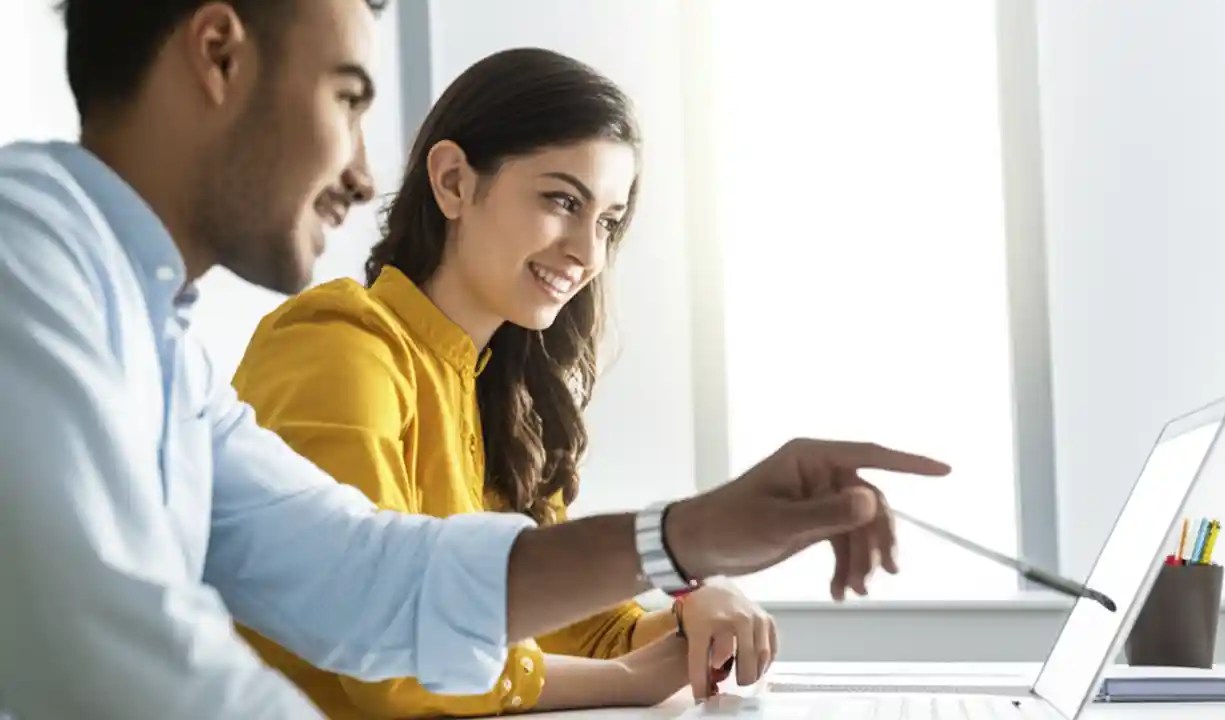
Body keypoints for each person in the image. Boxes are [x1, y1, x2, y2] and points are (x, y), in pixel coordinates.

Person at [0, 1, 950, 718]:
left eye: (608, 219)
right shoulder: (24, 258)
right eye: (346, 98)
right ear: (218, 56)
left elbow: (378, 581)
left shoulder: (160, 345)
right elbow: (116, 653)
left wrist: (689, 538)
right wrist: (623, 670)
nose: (367, 175)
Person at [230, 47, 775, 717]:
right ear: (454, 181)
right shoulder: (336, 349)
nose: (588, 252)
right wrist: (631, 679)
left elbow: (572, 627)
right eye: (560, 200)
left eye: (606, 220)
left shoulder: (499, 397)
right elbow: (386, 663)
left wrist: (689, 616)